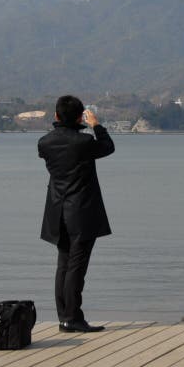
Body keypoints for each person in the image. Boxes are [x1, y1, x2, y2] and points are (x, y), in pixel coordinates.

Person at [38, 95, 114, 333]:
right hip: (80, 212)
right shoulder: (83, 142)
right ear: (81, 116)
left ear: (56, 116)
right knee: (76, 267)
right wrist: (96, 124)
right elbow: (108, 146)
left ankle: (64, 317)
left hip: (57, 212)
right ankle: (73, 317)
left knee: (63, 264)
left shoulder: (44, 143)